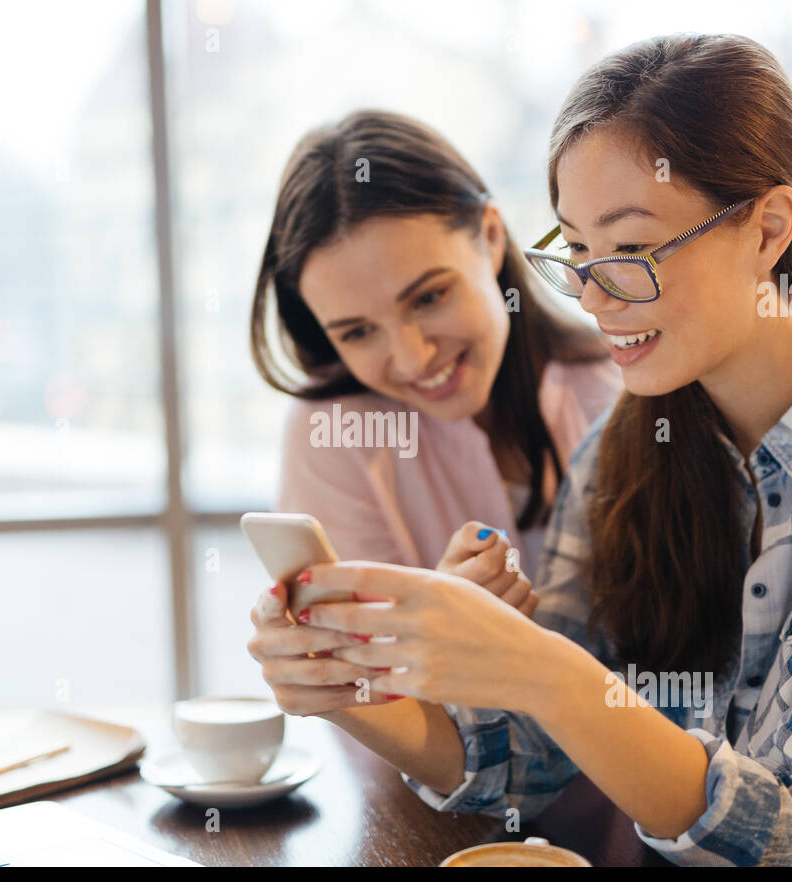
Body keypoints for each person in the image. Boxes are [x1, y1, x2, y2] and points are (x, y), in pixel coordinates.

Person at [248, 33, 792, 866]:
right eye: (578, 251)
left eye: (633, 248)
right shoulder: (624, 449)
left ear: (768, 227)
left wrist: (533, 663)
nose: (594, 296)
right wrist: (345, 688)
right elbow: (524, 763)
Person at [251, 109, 623, 588]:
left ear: (490, 237)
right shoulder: (335, 432)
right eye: (357, 332)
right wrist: (439, 621)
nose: (413, 359)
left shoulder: (616, 387)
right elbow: (352, 657)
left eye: (428, 298)